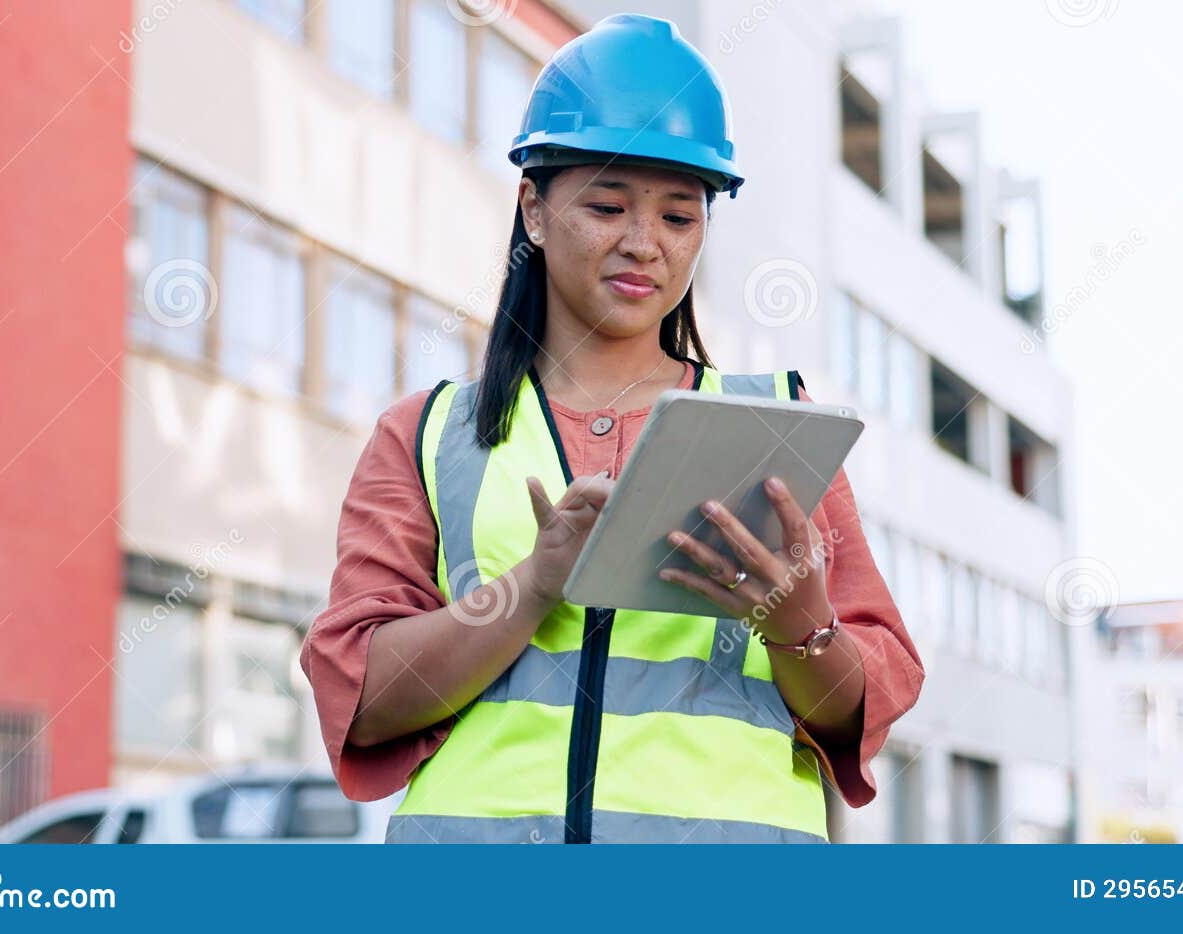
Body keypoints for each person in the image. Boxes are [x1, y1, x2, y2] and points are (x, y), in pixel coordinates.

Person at [301, 12, 924, 844]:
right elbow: (364, 701)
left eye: (679, 216)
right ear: (533, 208)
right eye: (607, 205)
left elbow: (864, 710)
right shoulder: (428, 433)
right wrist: (534, 585)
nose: (644, 244)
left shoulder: (778, 425)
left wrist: (798, 623)